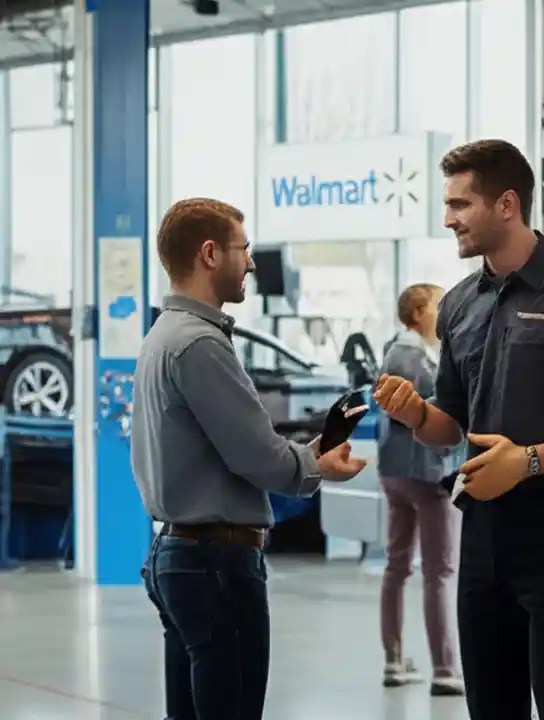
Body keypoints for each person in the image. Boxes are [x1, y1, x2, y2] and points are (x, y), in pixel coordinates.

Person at [374, 139, 544, 720]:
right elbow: (450, 424)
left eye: (459, 204)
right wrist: (415, 414)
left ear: (506, 204)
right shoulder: (457, 306)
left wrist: (526, 461)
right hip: (480, 533)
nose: (447, 219)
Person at [131, 197, 368, 720]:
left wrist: (311, 455)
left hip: (180, 557)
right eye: (245, 249)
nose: (253, 263)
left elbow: (232, 451)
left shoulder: (163, 337)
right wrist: (312, 468)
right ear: (210, 253)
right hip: (216, 564)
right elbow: (260, 458)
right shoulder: (199, 345)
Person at [376, 282, 466, 694]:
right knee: (440, 572)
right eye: (437, 304)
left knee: (398, 565)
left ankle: (395, 660)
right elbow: (431, 413)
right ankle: (445, 669)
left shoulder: (406, 351)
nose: (444, 311)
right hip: (427, 475)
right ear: (417, 311)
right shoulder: (411, 356)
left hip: (398, 473)